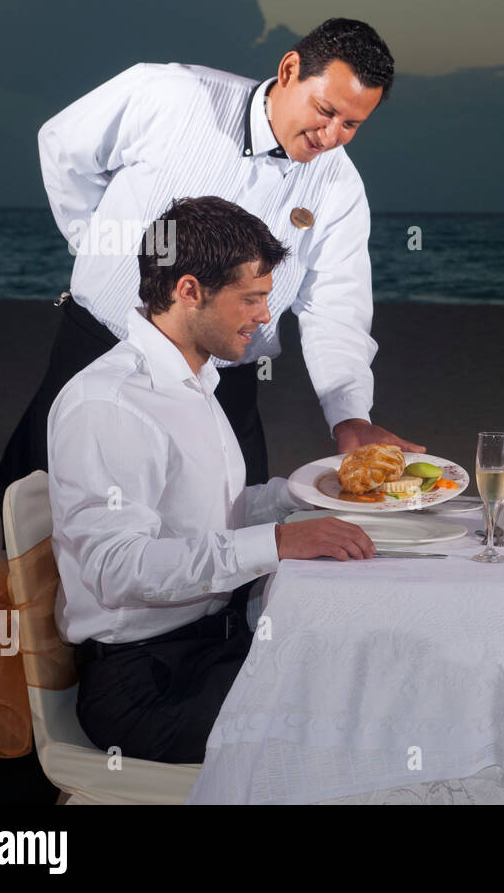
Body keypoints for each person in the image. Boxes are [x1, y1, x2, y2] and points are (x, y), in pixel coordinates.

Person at [0, 16, 420, 517]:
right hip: (99, 348)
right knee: (36, 514)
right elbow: (63, 146)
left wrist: (348, 415)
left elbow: (335, 309)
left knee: (235, 528)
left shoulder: (340, 189)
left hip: (221, 382)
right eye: (325, 111)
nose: (331, 136)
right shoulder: (171, 94)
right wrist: (96, 245)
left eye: (351, 125)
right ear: (289, 70)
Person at [48, 196, 376, 764]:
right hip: (146, 686)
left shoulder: (192, 379)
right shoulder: (111, 401)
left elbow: (205, 517)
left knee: (370, 668)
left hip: (210, 645)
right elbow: (116, 570)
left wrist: (310, 493)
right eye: (251, 299)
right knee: (346, 727)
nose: (265, 316)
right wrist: (275, 544)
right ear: (189, 290)